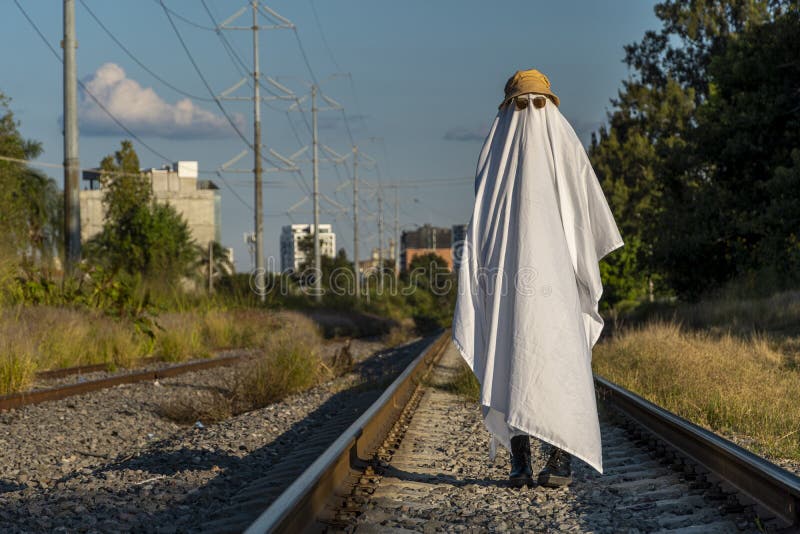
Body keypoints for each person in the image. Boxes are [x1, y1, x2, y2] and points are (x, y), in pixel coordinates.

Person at [452, 69, 623, 488]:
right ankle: (542, 461)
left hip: (529, 282)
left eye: (536, 104)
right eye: (525, 104)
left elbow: (482, 224)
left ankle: (530, 461)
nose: (531, 112)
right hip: (538, 283)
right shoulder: (556, 142)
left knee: (520, 356)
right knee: (551, 359)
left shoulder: (500, 147)